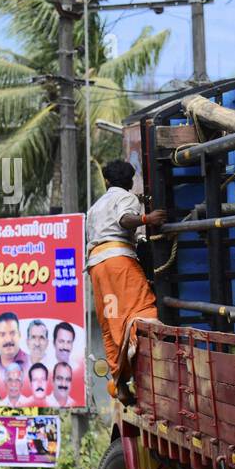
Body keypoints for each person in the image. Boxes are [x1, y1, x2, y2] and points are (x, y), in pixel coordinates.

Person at [86, 159, 164, 399]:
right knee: (141, 306)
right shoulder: (127, 197)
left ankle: (119, 381)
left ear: (107, 181)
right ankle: (135, 350)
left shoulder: (95, 207)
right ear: (130, 182)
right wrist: (147, 220)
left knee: (111, 320)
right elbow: (124, 220)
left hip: (97, 268)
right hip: (119, 261)